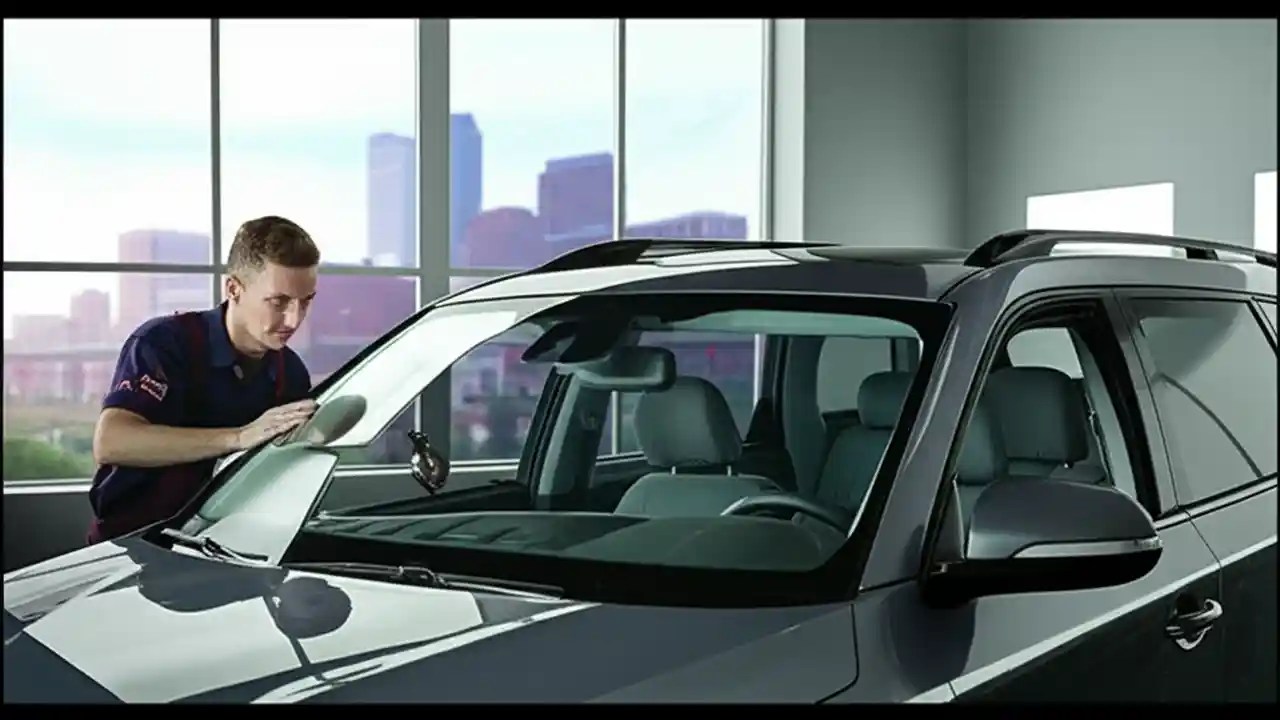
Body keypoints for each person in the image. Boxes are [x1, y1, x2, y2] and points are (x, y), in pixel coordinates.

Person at [86, 216, 321, 544]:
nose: (294, 319)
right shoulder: (162, 343)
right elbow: (112, 442)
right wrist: (239, 437)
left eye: (306, 301)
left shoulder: (292, 372)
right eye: (278, 302)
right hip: (133, 547)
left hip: (233, 548)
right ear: (233, 289)